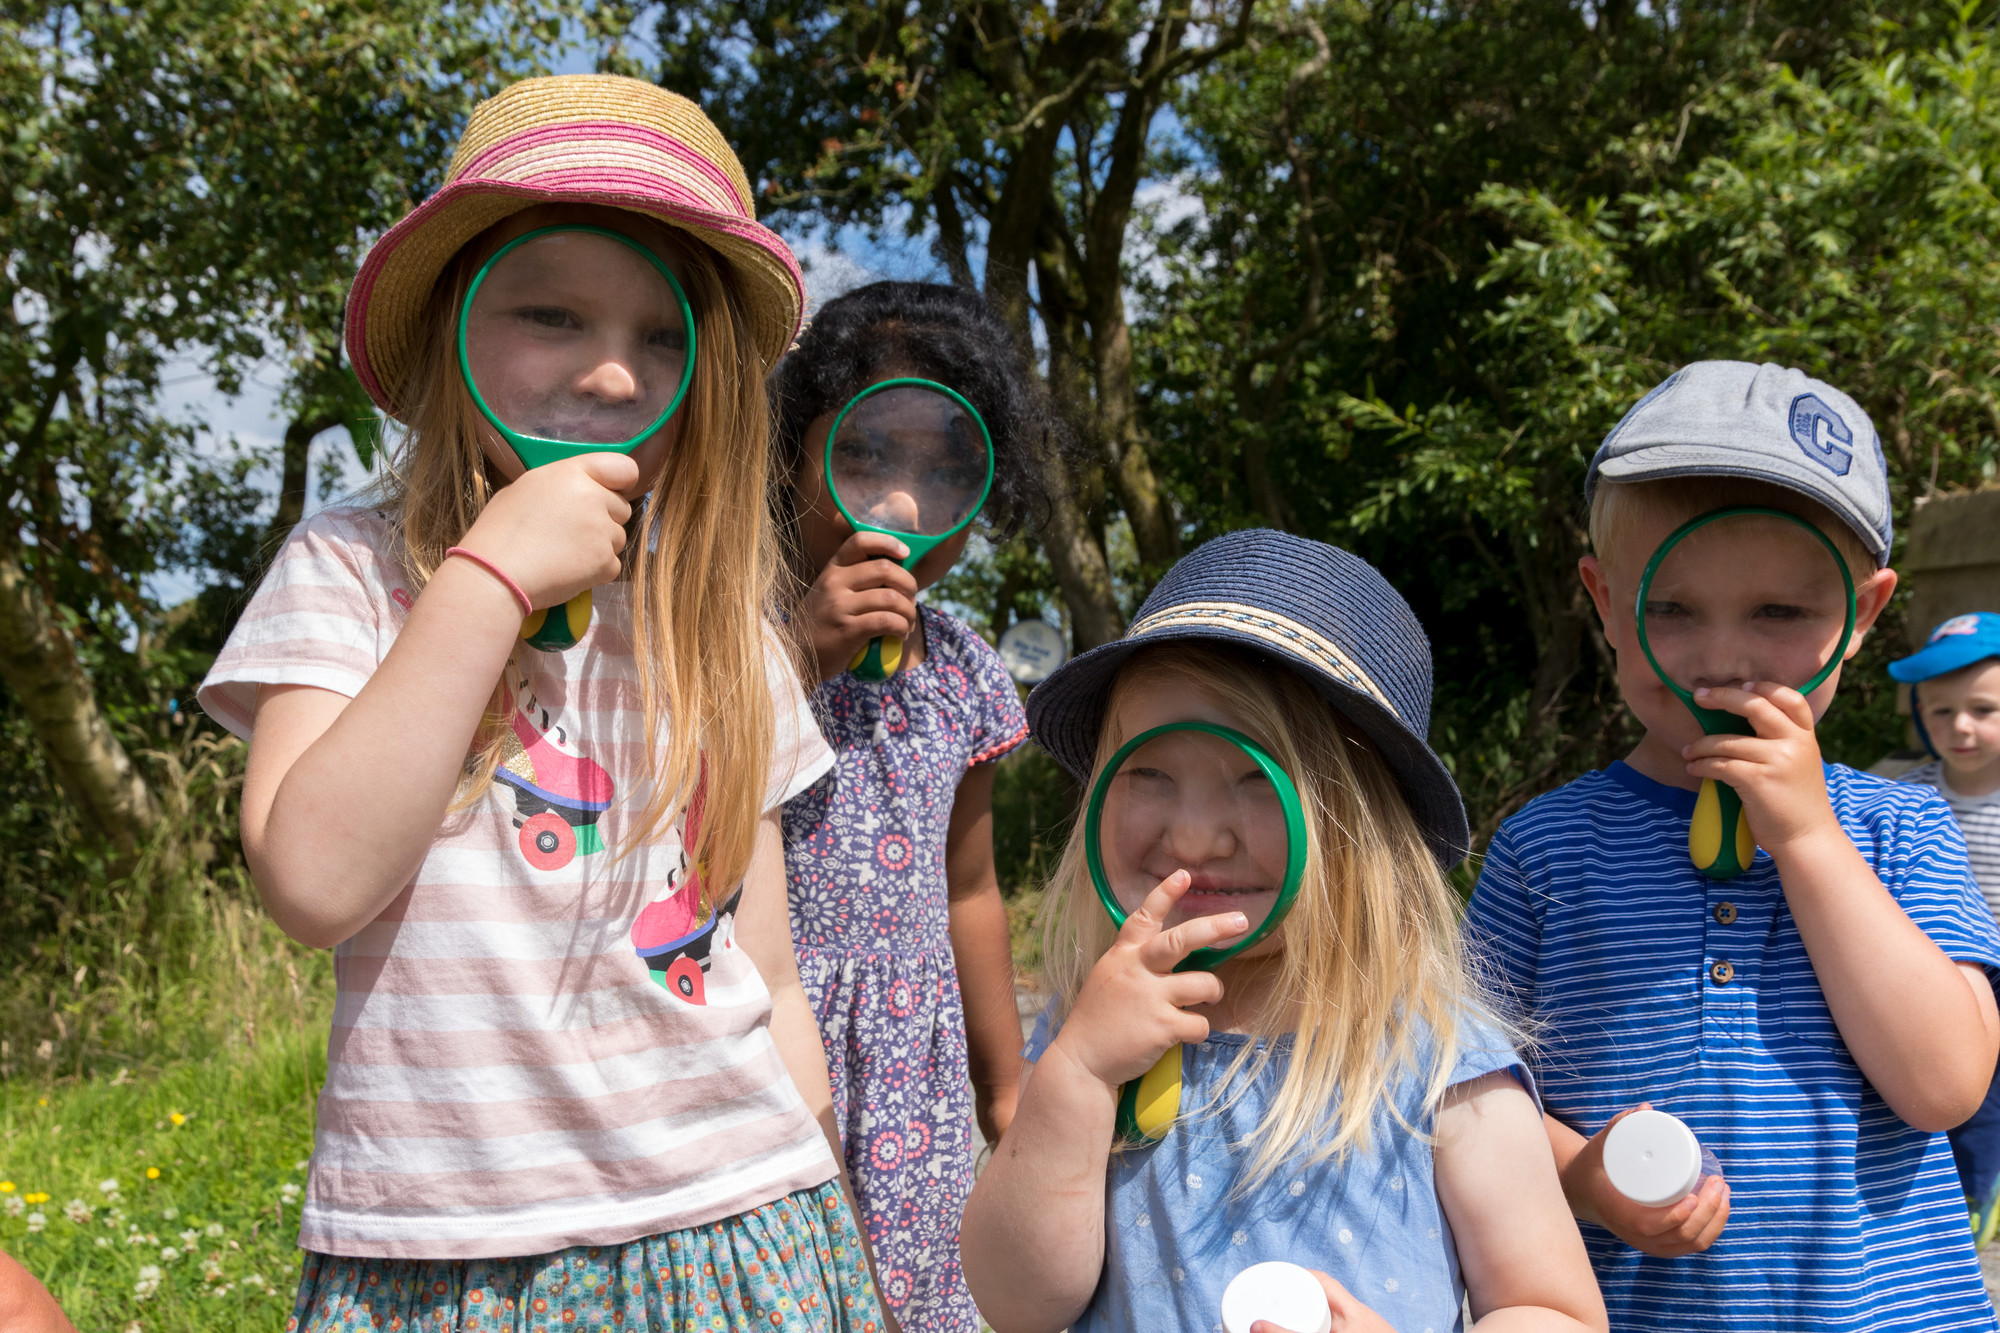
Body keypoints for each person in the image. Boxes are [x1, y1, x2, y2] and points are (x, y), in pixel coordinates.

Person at [198, 75, 886, 1332]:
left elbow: (771, 975)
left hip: (740, 1215)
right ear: (455, 332)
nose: (616, 374)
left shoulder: (719, 623)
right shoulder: (351, 571)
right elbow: (310, 879)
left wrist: (830, 1212)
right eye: (551, 313)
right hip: (451, 1251)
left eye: (664, 336)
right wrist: (490, 579)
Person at [960, 529, 1609, 1333]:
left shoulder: (1437, 1058)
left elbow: (1553, 1310)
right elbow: (1014, 1301)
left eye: (1254, 782)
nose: (1195, 837)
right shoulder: (1094, 1033)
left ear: (1363, 826)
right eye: (1149, 773)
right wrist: (1078, 1076)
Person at [1466, 361, 2000, 1332]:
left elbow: (1943, 1083)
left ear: (1864, 615)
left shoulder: (1897, 827)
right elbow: (1464, 1095)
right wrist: (1579, 1175)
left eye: (1779, 612)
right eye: (1667, 609)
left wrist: (1802, 834)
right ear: (1600, 599)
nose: (1720, 658)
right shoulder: (1541, 851)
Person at [770, 282, 1050, 1332]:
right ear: (791, 454)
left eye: (945, 472)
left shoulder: (968, 673)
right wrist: (797, 652)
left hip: (910, 1062)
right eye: (867, 454)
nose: (901, 504)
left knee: (916, 1298)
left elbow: (967, 887)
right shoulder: (732, 632)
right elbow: (680, 785)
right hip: (763, 1040)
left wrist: (1005, 1085)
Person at [1892, 611, 2000, 1224]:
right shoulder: (1908, 796)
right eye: (1940, 711)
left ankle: (1980, 1192)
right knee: (1964, 1098)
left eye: (1983, 710)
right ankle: (1962, 1198)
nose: (1960, 726)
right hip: (1942, 977)